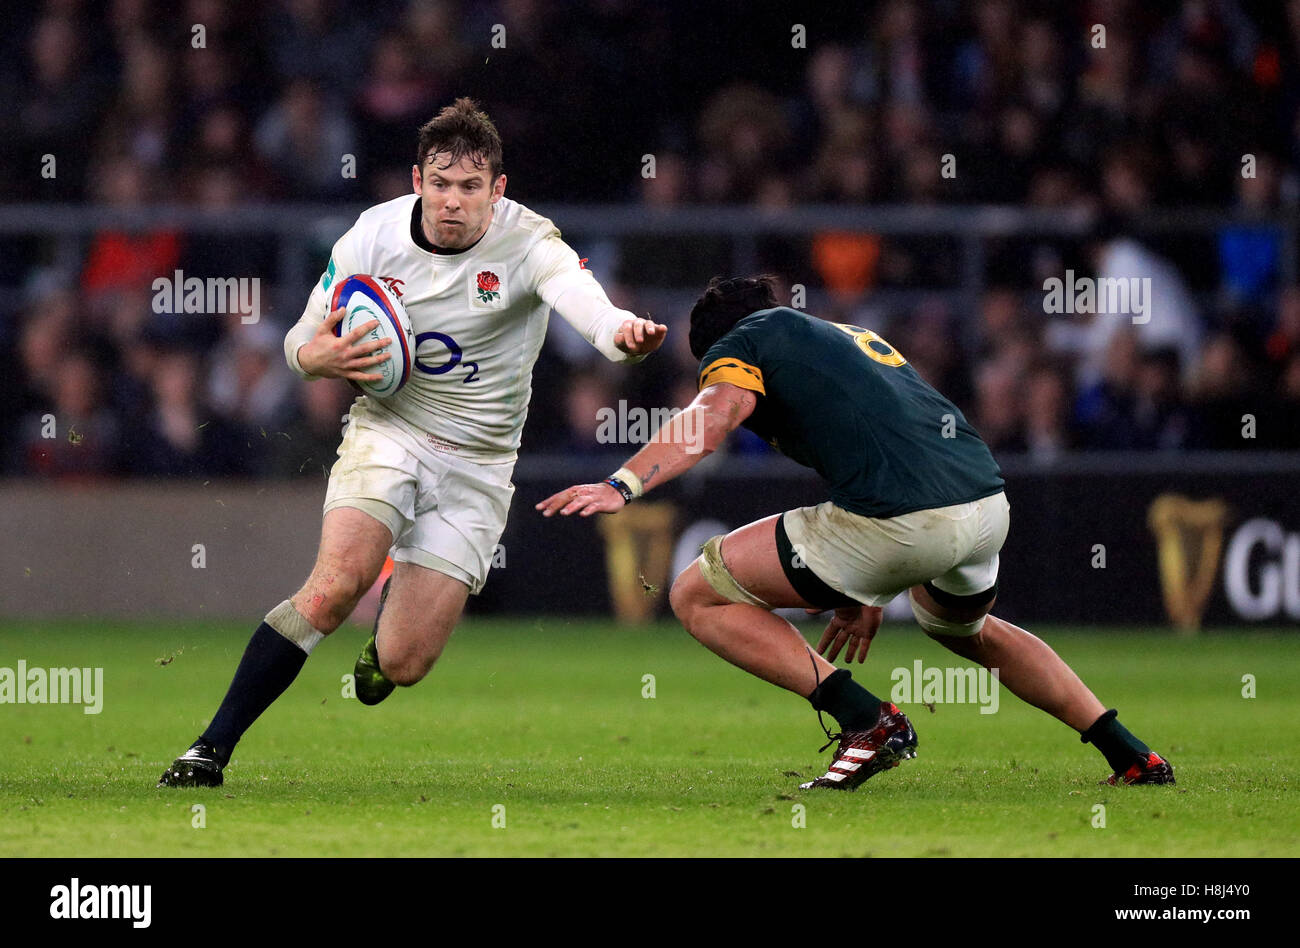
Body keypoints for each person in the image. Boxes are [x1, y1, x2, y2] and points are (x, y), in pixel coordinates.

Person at [159, 98, 667, 787]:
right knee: (336, 585)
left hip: (480, 468)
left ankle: (384, 637)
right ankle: (209, 748)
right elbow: (296, 343)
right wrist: (322, 360)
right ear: (416, 180)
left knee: (404, 664)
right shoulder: (370, 238)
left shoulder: (530, 243)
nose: (453, 201)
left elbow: (584, 301)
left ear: (498, 190)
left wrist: (621, 335)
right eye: (440, 183)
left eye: (470, 187)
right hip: (389, 430)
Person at [538, 276, 1173, 791]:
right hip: (984, 505)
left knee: (696, 594)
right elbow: (886, 441)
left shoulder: (748, 338)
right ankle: (1131, 753)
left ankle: (867, 720)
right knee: (968, 631)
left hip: (905, 521)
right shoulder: (851, 337)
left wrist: (621, 483)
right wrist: (865, 589)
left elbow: (711, 421)